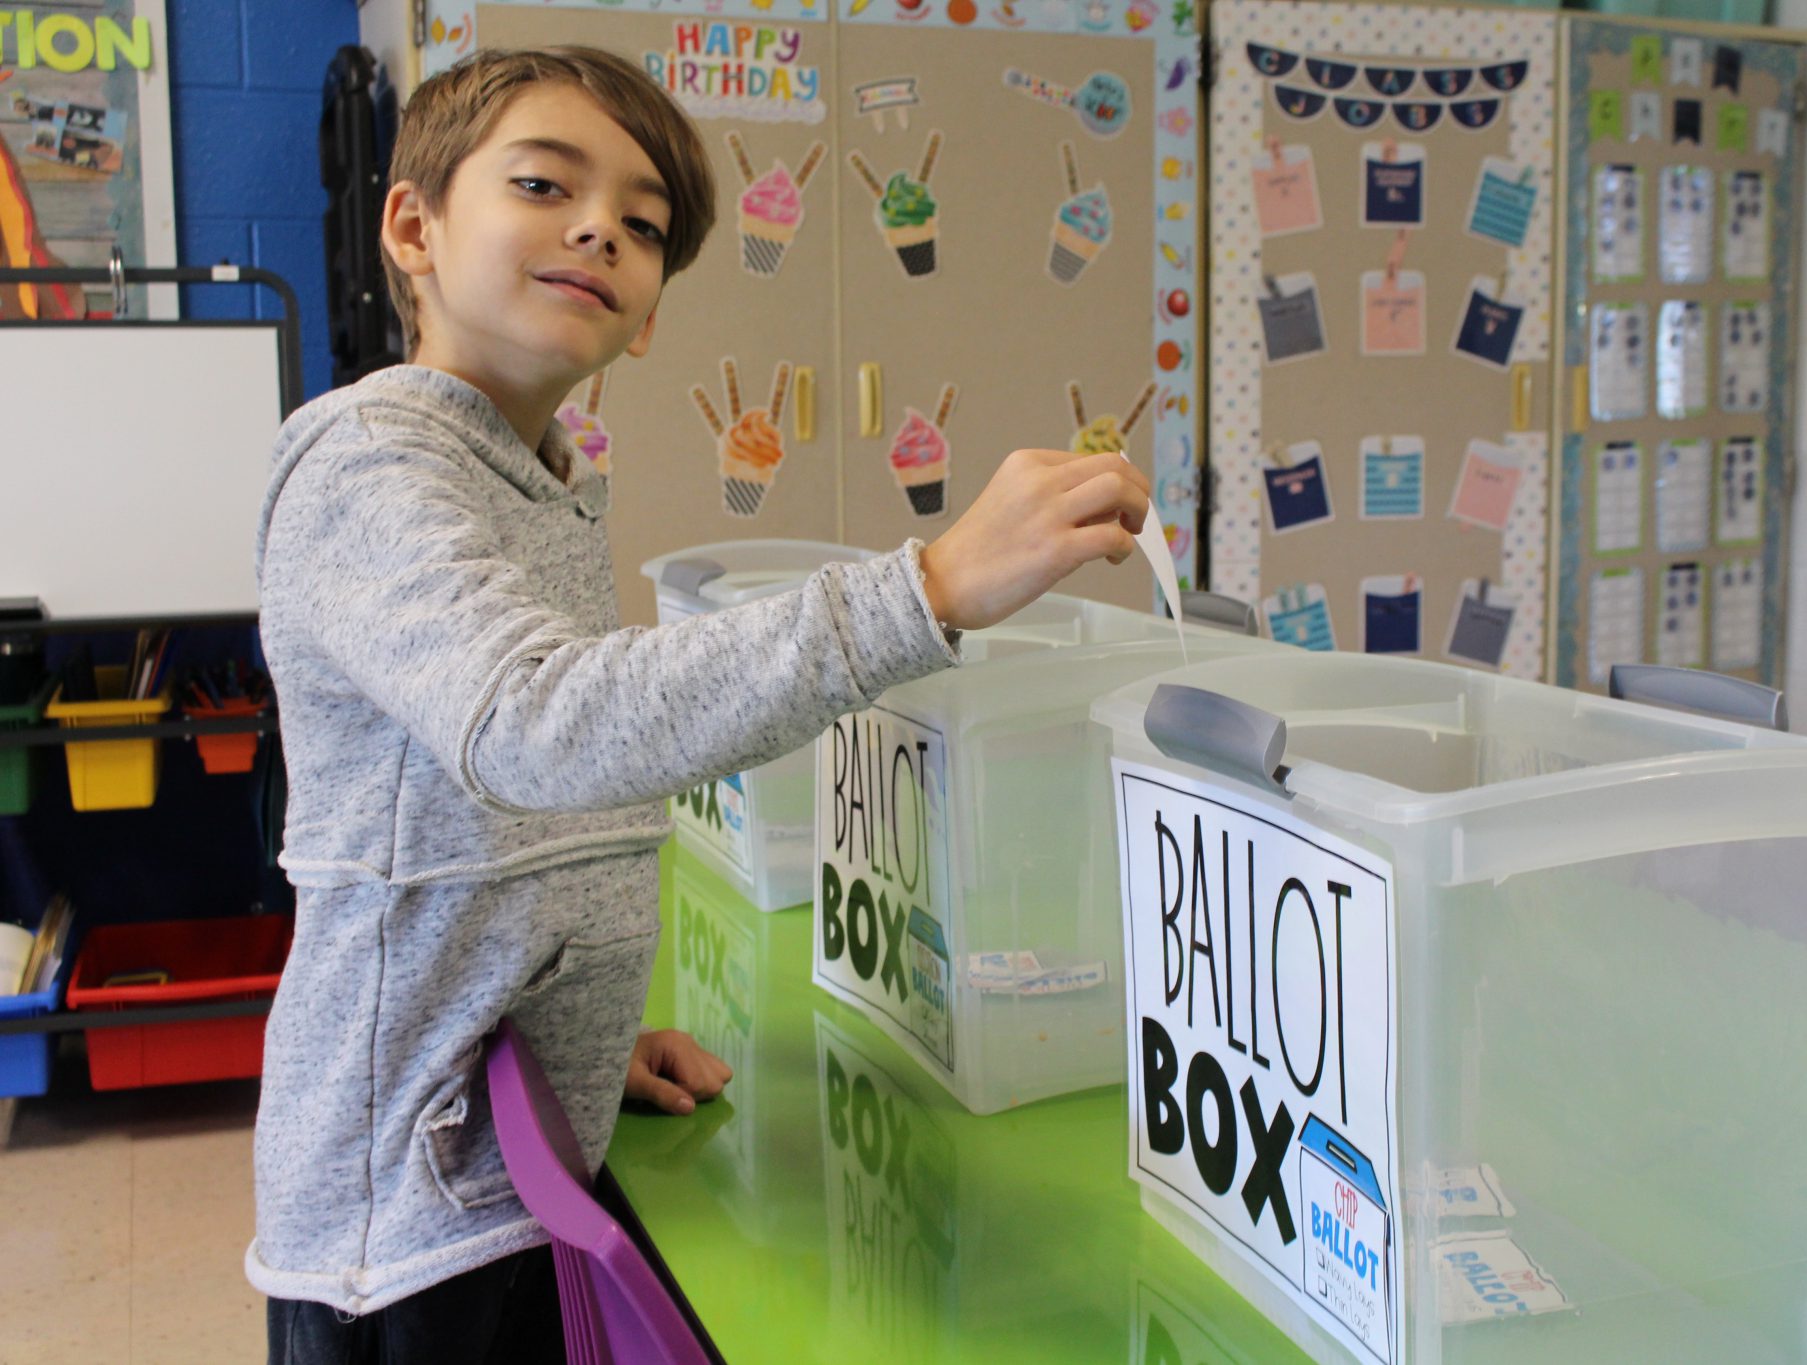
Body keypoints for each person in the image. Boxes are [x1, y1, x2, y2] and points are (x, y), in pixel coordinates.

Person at [249, 45, 1150, 1363]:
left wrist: (574, 1046)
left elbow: (500, 836)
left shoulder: (536, 478)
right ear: (413, 226)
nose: (600, 225)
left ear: (651, 311)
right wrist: (932, 585)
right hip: (404, 1231)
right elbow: (535, 726)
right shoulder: (367, 462)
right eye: (546, 182)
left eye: (644, 223)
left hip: (496, 1157)